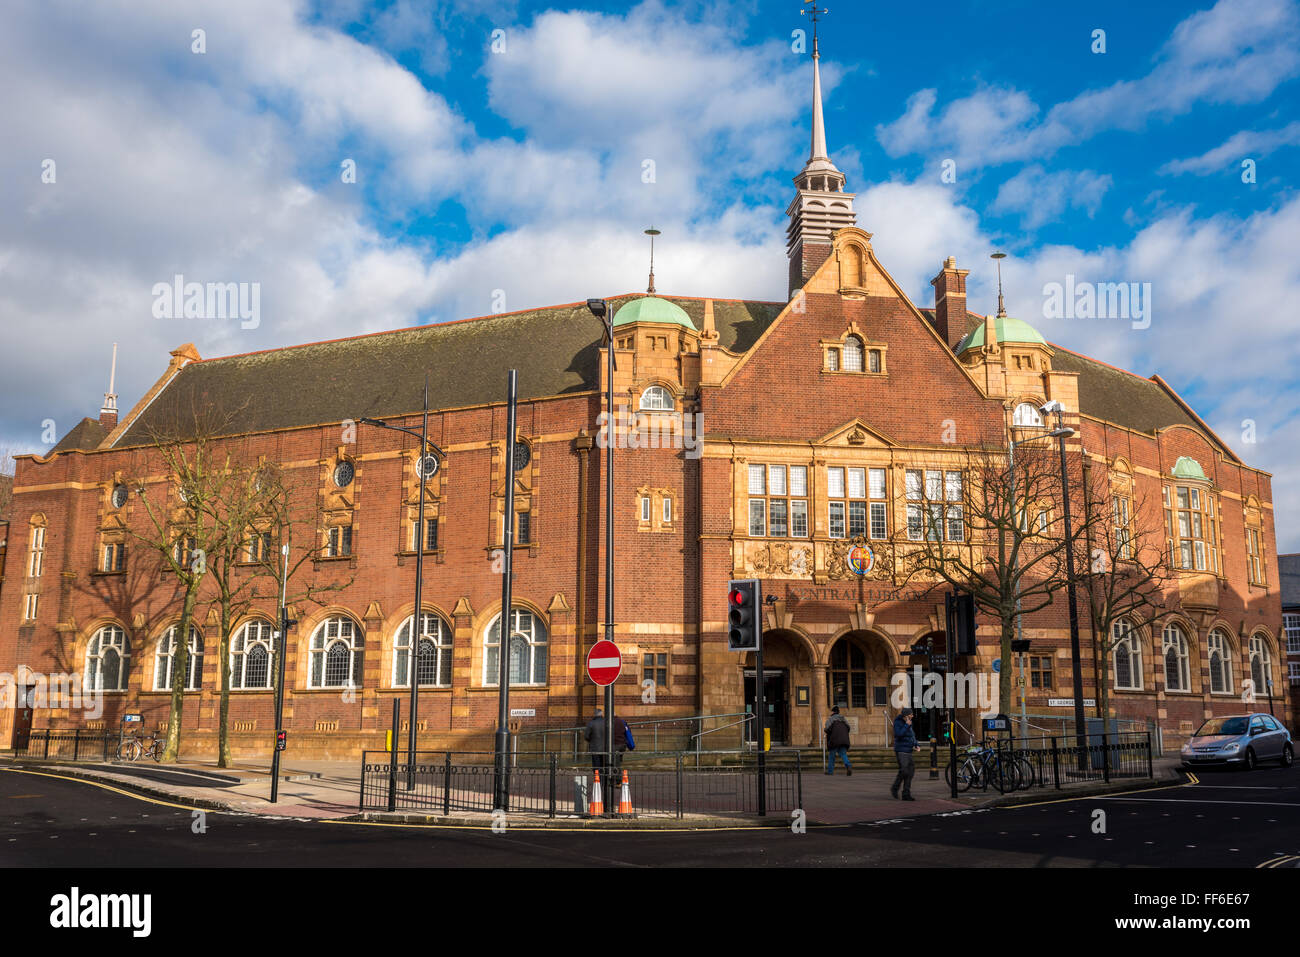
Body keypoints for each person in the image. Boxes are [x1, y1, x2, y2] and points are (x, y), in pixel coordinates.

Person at [891, 708, 917, 800]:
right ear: (906, 716)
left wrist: (916, 744)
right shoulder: (898, 722)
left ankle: (906, 794)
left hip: (909, 750)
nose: (912, 716)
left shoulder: (909, 722)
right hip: (901, 750)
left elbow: (912, 734)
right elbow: (898, 734)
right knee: (904, 771)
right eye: (911, 714)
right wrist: (906, 725)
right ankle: (895, 788)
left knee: (910, 772)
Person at [824, 706, 852, 775]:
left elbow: (827, 729)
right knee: (843, 754)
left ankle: (830, 771)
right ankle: (848, 766)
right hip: (844, 740)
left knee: (832, 755)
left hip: (834, 740)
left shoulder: (831, 719)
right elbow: (848, 728)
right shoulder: (843, 719)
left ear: (833, 712)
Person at [584, 708, 606, 777]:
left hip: (594, 748)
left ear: (595, 714)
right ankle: (604, 780)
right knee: (604, 765)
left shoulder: (591, 723)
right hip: (605, 748)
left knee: (596, 766)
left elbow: (586, 736)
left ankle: (597, 780)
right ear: (602, 714)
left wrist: (591, 741)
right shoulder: (606, 722)